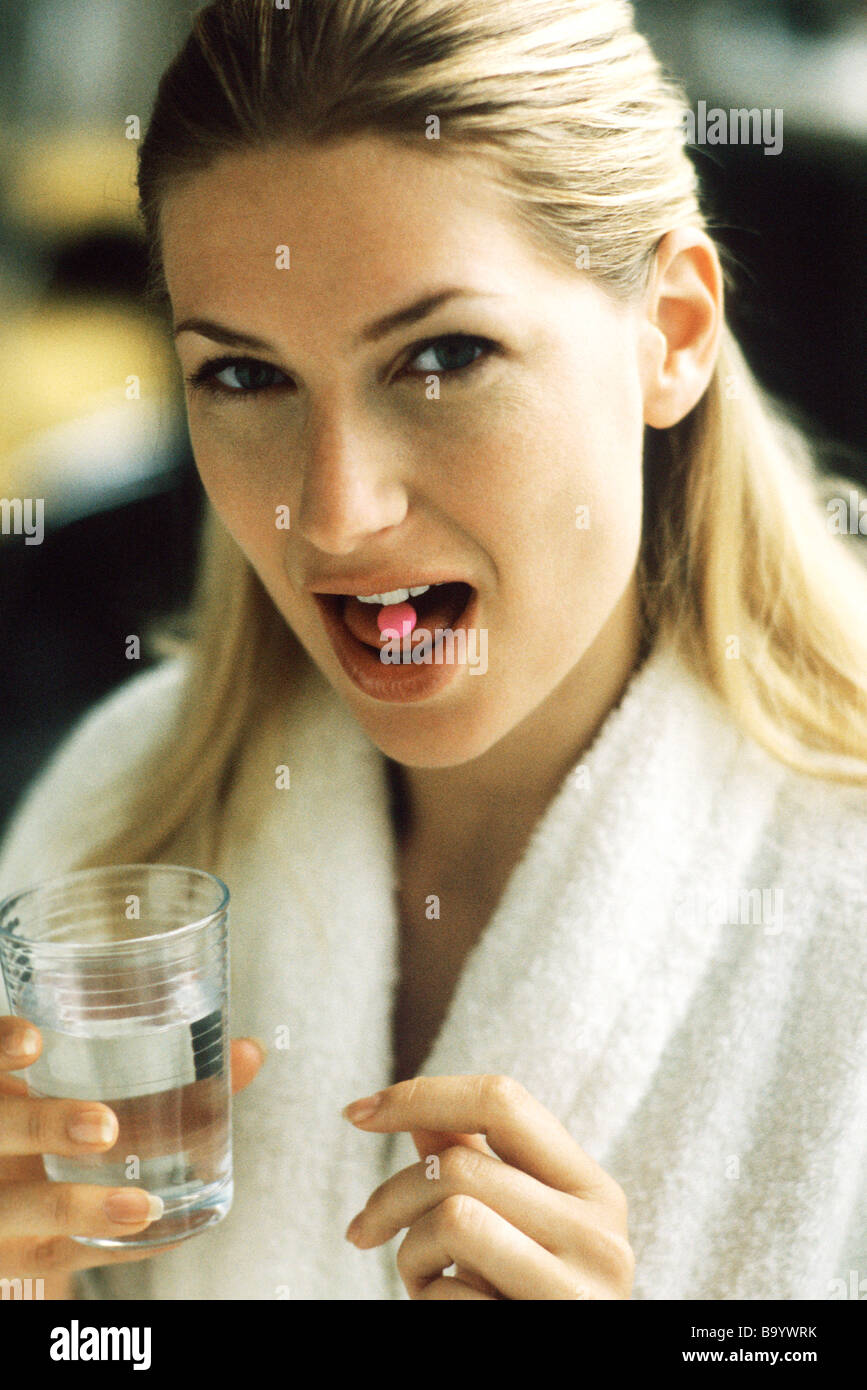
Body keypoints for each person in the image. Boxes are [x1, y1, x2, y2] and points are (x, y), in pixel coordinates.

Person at [1, 0, 865, 1302]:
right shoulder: (116, 820)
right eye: (245, 377)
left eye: (444, 356)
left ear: (673, 331)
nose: (336, 511)